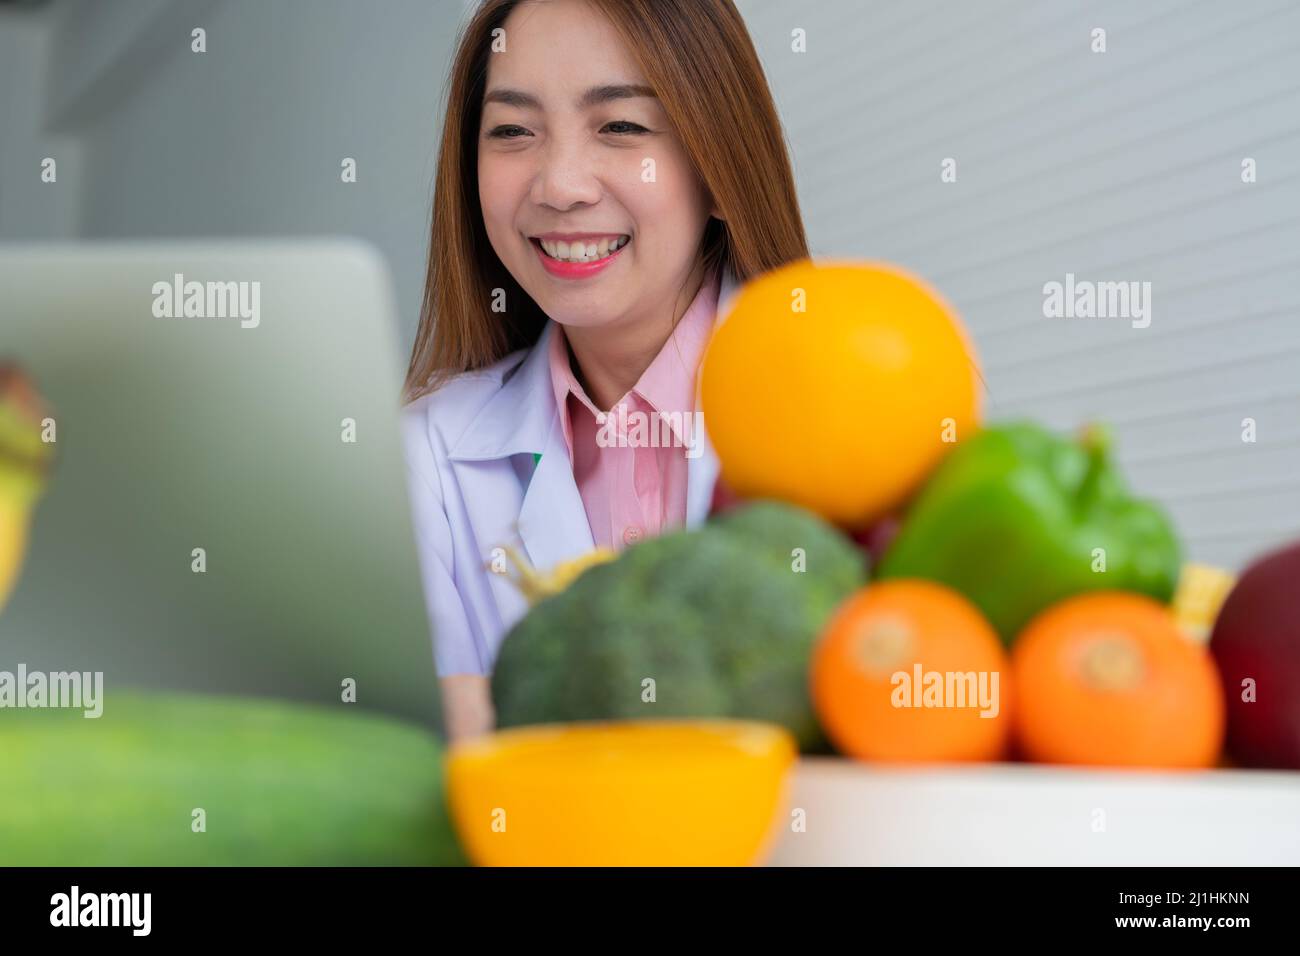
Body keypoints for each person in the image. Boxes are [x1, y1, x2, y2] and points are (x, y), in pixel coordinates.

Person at [401, 0, 809, 742]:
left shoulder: (856, 401)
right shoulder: (424, 458)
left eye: (621, 127)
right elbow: (415, 763)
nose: (560, 185)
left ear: (719, 168)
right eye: (512, 132)